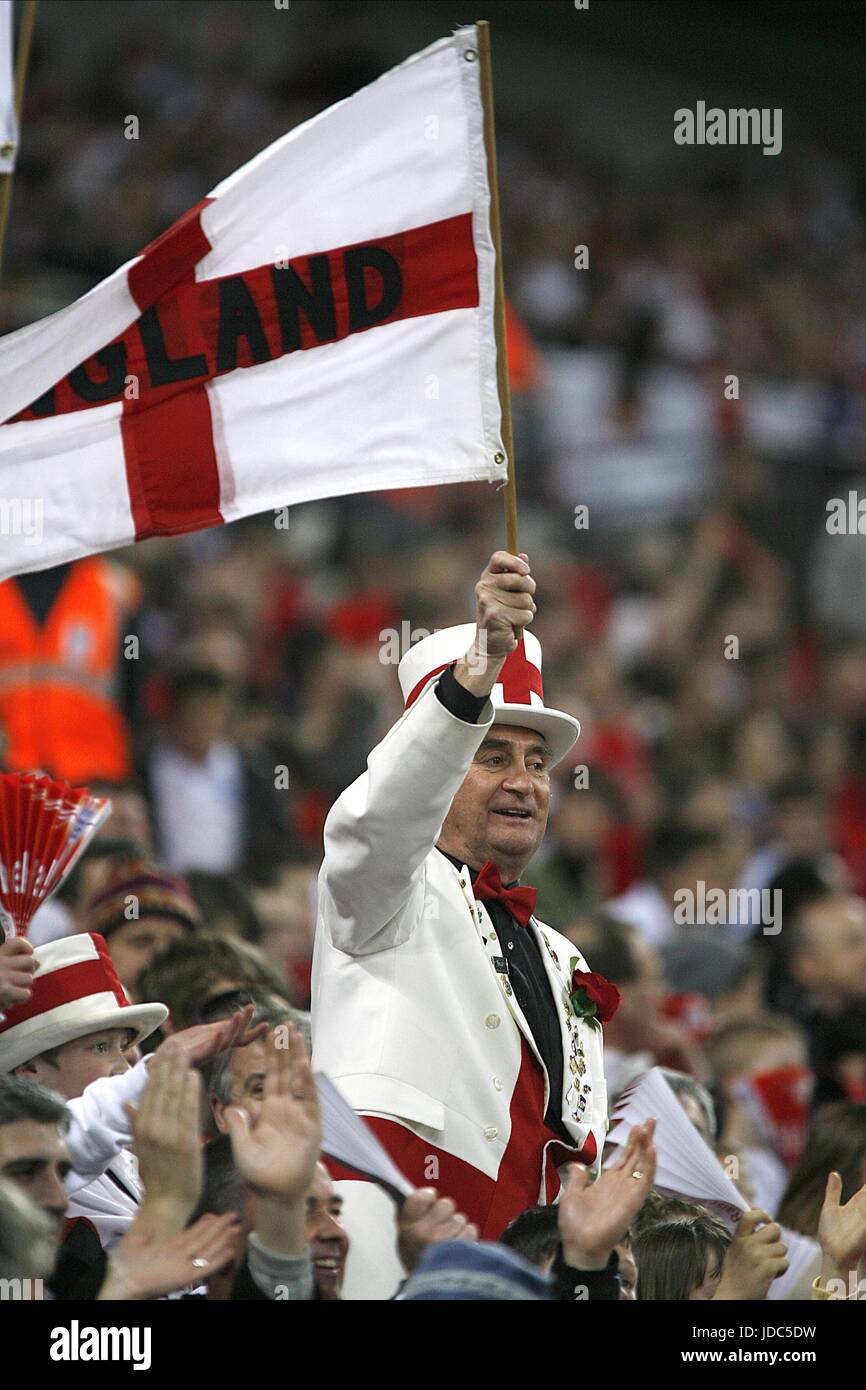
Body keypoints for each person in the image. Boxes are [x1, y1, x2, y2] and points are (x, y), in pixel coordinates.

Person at [313, 551, 610, 1298]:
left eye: (538, 764)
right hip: (394, 1247)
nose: (524, 782)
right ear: (440, 761)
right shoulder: (384, 884)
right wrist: (479, 666)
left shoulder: (562, 953)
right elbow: (381, 815)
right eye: (492, 756)